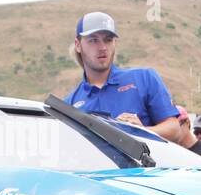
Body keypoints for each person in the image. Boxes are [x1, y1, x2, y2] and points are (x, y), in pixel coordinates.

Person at [65, 12, 180, 142]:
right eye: (93, 40)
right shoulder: (69, 104)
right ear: (78, 45)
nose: (102, 47)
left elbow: (174, 129)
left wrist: (141, 131)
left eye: (108, 40)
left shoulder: (144, 78)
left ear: (115, 43)